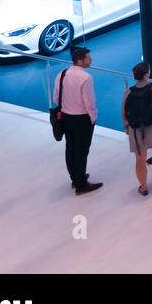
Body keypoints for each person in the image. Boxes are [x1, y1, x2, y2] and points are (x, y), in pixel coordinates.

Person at [54, 46, 102, 195]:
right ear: (80, 62)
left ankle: (75, 178)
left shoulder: (61, 74)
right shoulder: (86, 78)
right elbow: (89, 102)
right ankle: (81, 184)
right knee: (82, 151)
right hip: (82, 119)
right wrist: (93, 118)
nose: (91, 60)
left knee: (71, 149)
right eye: (88, 58)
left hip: (66, 117)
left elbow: (56, 97)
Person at [121, 62, 152, 196]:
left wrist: (127, 128)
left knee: (140, 159)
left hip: (136, 130)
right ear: (147, 74)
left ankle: (143, 187)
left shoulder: (129, 92)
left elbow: (124, 113)